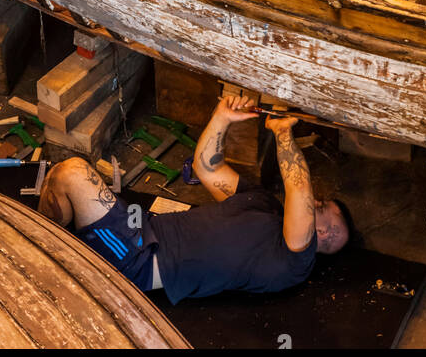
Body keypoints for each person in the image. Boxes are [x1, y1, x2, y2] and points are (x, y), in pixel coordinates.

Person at [38, 94, 352, 303]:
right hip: (141, 231)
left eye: (324, 213)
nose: (317, 208)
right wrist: (222, 117)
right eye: (322, 208)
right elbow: (207, 166)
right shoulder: (264, 204)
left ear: (323, 236)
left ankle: (44, 250)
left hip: (136, 260)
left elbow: (300, 187)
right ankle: (43, 245)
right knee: (56, 178)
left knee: (71, 174)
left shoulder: (295, 260)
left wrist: (283, 133)